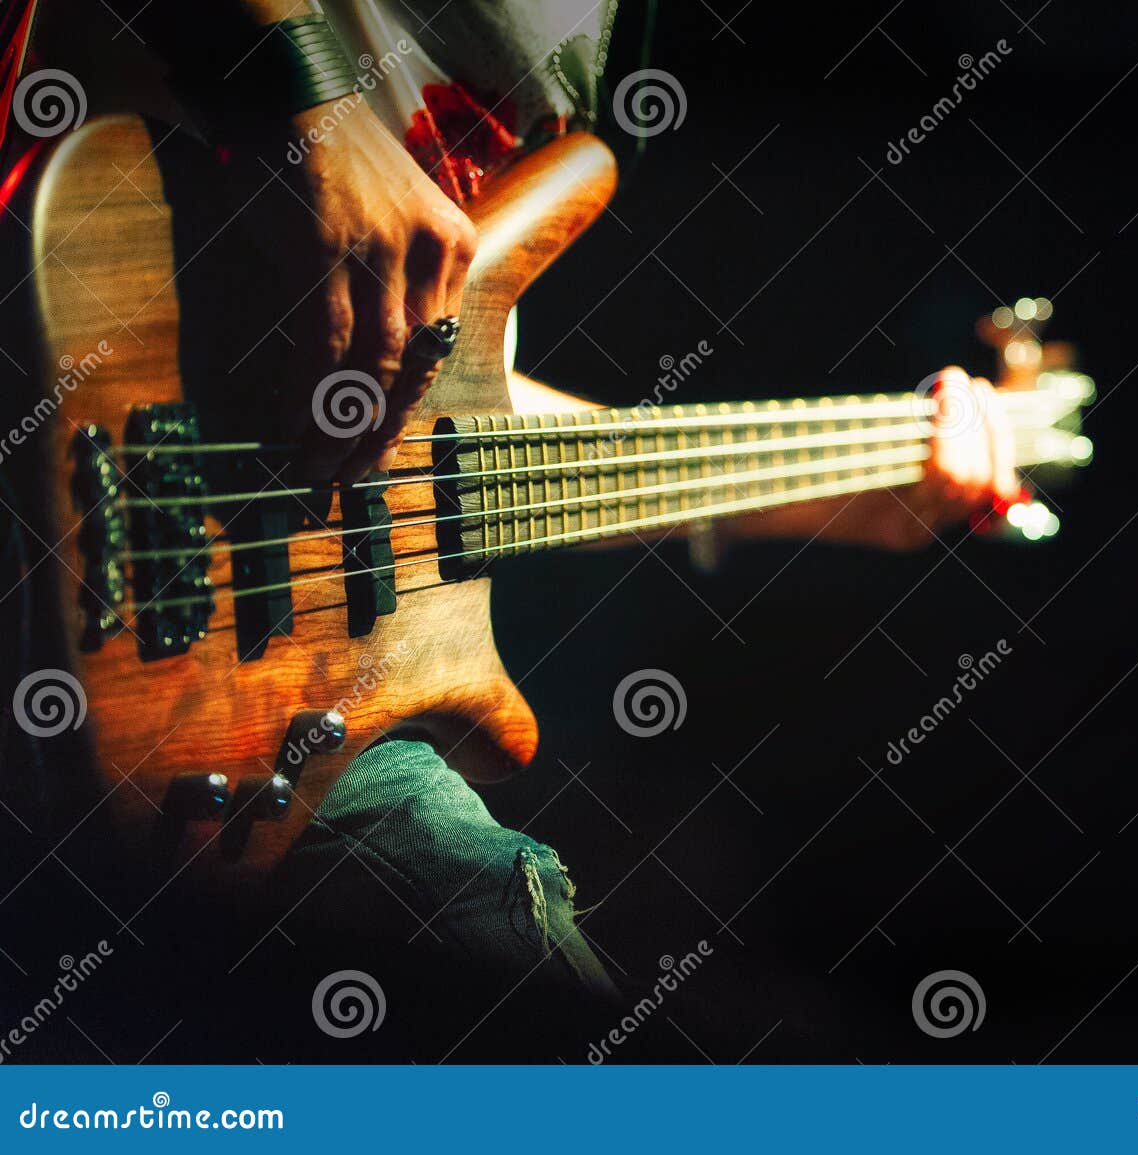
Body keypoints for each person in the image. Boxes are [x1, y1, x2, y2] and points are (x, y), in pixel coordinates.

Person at [4, 0, 1024, 1028]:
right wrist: (300, 90)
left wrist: (847, 491)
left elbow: (432, 412)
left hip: (244, 681)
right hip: (74, 303)